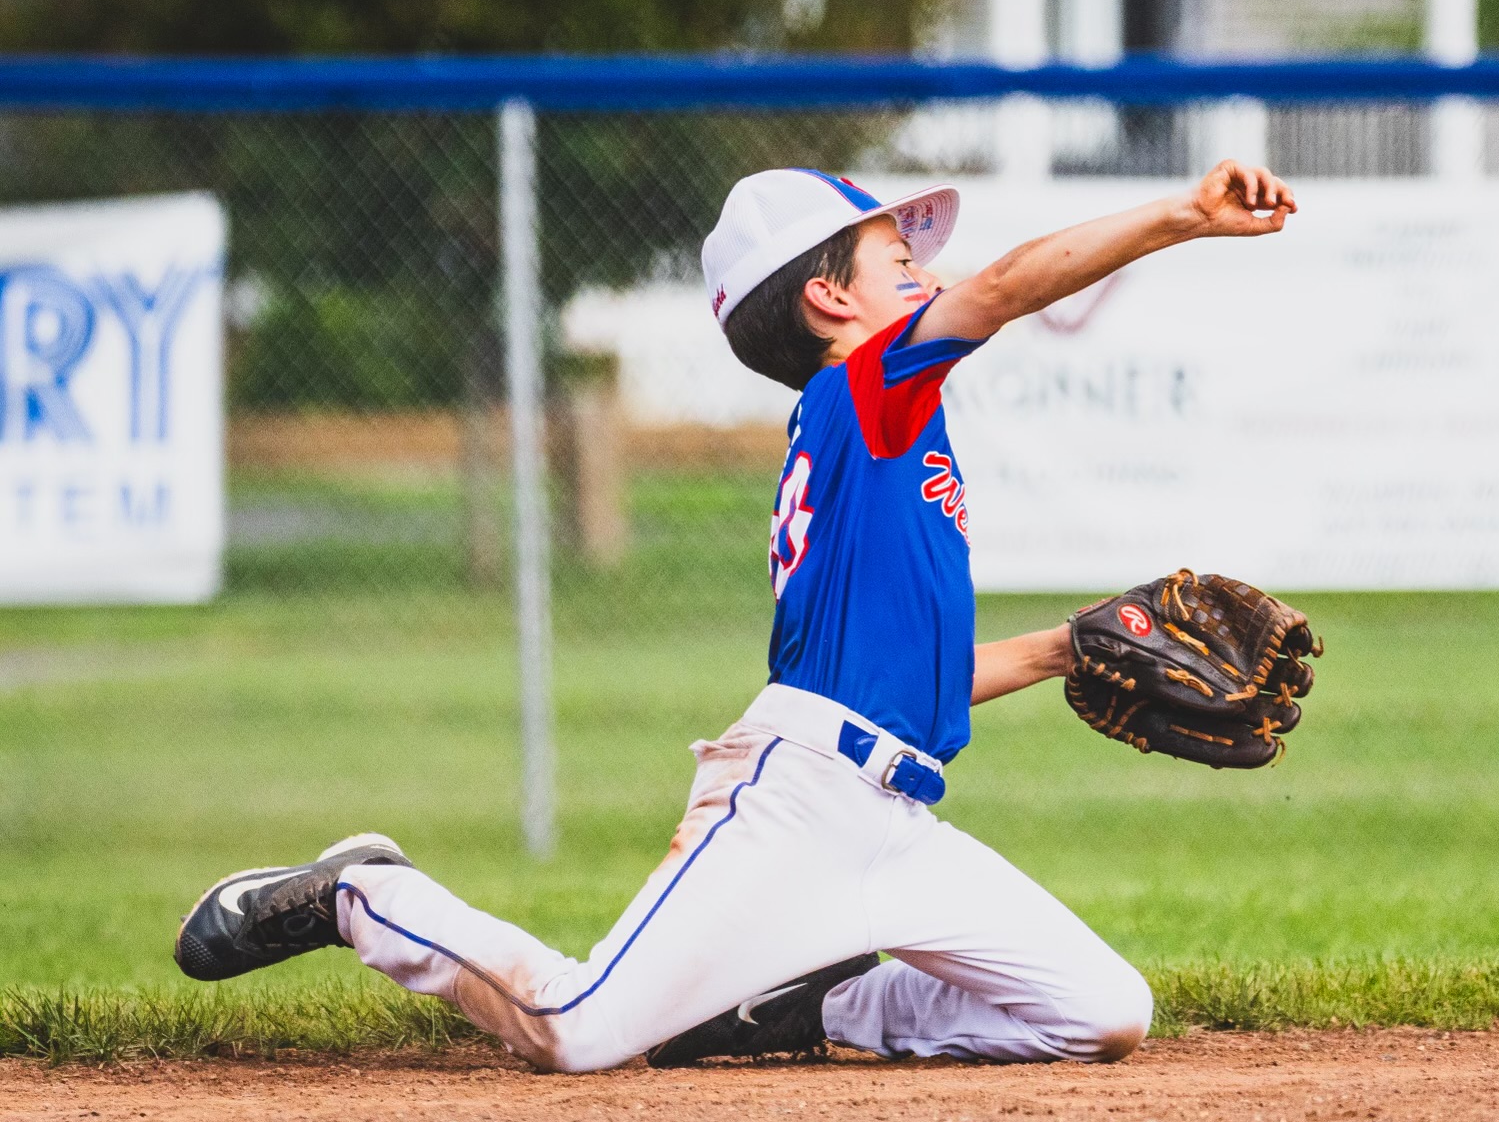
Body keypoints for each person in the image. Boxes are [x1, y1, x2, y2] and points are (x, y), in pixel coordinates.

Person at [173, 160, 1297, 1072]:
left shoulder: (877, 441)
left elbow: (916, 678)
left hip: (896, 818)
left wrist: (1062, 649)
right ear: (830, 298)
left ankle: (810, 1009)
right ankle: (365, 892)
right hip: (795, 801)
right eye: (899, 258)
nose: (927, 275)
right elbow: (1004, 289)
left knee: (1102, 1010)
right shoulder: (866, 392)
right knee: (580, 1029)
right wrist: (1180, 215)